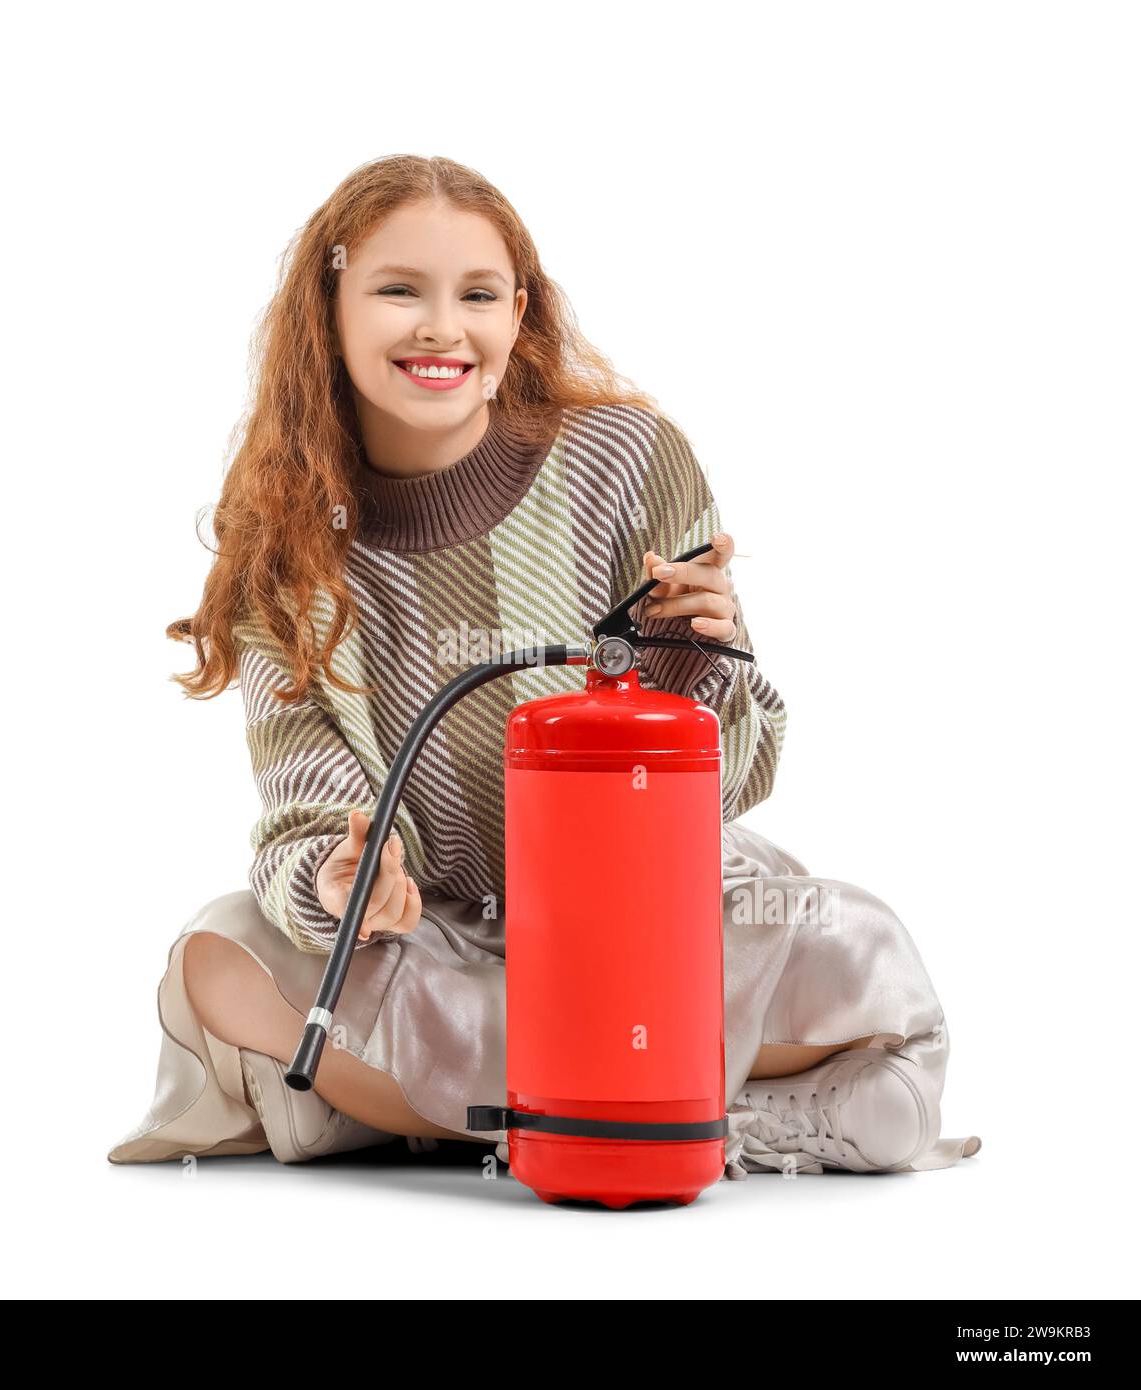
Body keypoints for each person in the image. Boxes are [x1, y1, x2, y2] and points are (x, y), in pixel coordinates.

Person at [106, 154, 980, 1181]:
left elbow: (738, 776)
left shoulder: (628, 463)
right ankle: (673, 1106)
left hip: (649, 920)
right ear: (327, 311)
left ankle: (462, 1108)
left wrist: (697, 668)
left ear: (518, 314)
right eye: (398, 290)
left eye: (477, 294)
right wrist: (341, 882)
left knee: (854, 950)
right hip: (440, 940)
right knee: (224, 955)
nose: (443, 328)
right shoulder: (286, 547)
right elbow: (305, 801)